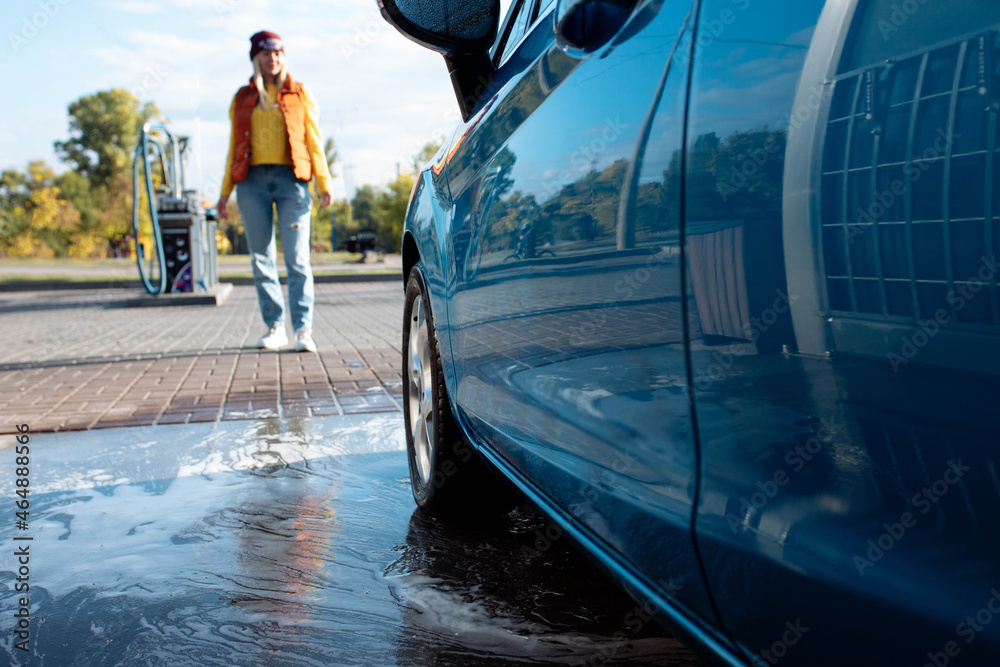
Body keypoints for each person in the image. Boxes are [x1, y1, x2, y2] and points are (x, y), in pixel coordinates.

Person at [216, 30, 333, 352]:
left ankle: (303, 330)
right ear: (256, 58)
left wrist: (324, 182)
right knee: (261, 258)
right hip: (250, 184)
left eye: (278, 53)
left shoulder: (299, 93)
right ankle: (274, 327)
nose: (273, 59)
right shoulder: (242, 97)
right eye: (266, 54)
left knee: (297, 260)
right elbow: (233, 147)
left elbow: (313, 139)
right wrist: (224, 193)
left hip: (292, 182)